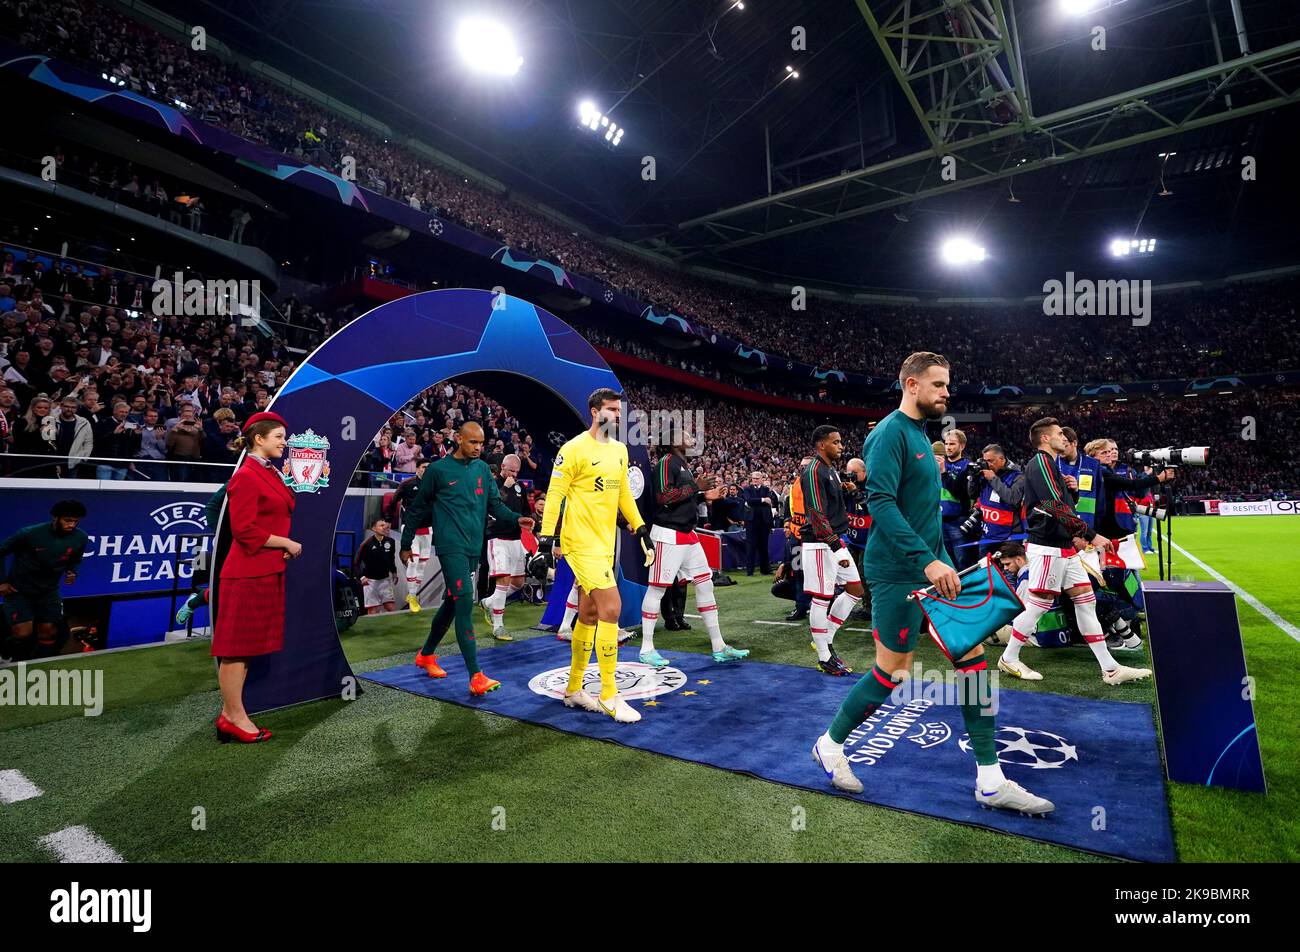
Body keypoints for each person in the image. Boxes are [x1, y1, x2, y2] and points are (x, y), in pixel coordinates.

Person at [812, 352, 1054, 815]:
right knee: (893, 672)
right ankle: (829, 743)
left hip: (935, 566)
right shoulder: (887, 435)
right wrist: (927, 562)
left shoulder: (923, 436)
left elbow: (921, 511)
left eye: (948, 385)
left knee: (974, 660)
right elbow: (880, 503)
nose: (947, 393)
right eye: (939, 385)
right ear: (910, 385)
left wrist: (940, 559)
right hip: (899, 573)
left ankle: (989, 779)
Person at [998, 418, 1151, 686]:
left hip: (1063, 547)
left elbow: (1061, 504)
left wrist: (1074, 492)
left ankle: (1110, 669)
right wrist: (1091, 535)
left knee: (1086, 601)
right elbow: (1051, 505)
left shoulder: (1051, 467)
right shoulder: (1041, 463)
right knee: (1038, 606)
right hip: (1048, 547)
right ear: (1045, 439)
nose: (1063, 438)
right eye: (1058, 433)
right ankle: (1009, 658)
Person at [537, 388, 652, 723]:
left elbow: (623, 496)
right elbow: (555, 494)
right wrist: (546, 539)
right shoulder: (573, 449)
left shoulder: (618, 450)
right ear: (594, 411)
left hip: (604, 544)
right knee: (612, 608)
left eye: (620, 411)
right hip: (580, 543)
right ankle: (609, 694)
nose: (617, 416)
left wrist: (639, 525)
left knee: (588, 614)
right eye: (612, 410)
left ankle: (574, 689)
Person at [399, 421, 533, 696]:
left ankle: (426, 655)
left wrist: (516, 518)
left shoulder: (483, 469)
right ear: (458, 439)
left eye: (481, 444)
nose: (478, 448)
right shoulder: (437, 471)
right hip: (450, 546)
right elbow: (416, 509)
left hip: (474, 547)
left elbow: (495, 504)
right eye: (473, 442)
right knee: (463, 602)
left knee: (451, 602)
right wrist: (405, 542)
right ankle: (475, 675)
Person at [210, 411, 301, 744]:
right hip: (248, 571)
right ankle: (234, 717)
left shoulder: (268, 472)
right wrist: (286, 542)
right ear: (259, 439)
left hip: (264, 570)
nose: (284, 442)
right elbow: (245, 530)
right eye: (278, 436)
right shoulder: (247, 475)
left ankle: (230, 714)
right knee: (235, 649)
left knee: (244, 649)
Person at [639, 429, 744, 668]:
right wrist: (696, 488)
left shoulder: (682, 465)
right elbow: (663, 498)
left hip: (688, 533)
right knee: (657, 589)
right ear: (673, 442)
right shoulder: (666, 463)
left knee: (706, 584)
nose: (691, 438)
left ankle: (719, 646)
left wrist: (704, 496)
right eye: (685, 436)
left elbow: (681, 499)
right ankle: (646, 649)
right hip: (668, 533)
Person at [799, 427, 863, 676]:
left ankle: (824, 639)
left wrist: (845, 490)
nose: (841, 446)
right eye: (835, 442)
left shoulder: (830, 470)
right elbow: (815, 513)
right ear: (821, 445)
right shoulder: (814, 470)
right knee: (821, 597)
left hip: (834, 539)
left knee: (855, 589)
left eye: (841, 441)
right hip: (821, 542)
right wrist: (835, 546)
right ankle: (825, 657)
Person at [0, 499, 88, 661]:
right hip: (19, 591)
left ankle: (40, 663)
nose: (72, 525)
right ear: (55, 518)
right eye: (67, 520)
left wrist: (72, 572)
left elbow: (76, 559)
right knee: (22, 633)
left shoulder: (81, 538)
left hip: (49, 591)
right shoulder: (29, 533)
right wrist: (2, 582)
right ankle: (5, 654)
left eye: (75, 521)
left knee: (49, 631)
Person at [479, 453, 533, 640]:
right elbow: (490, 506)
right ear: (502, 467)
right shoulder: (492, 484)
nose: (514, 475)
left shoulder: (520, 486)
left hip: (516, 538)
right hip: (497, 537)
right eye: (511, 470)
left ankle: (488, 602)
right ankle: (498, 626)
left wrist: (530, 521)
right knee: (502, 582)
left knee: (518, 583)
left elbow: (526, 509)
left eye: (517, 472)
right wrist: (505, 487)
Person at [385, 459, 429, 612]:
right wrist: (388, 519)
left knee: (423, 564)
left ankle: (413, 595)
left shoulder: (434, 485)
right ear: (417, 469)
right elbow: (393, 501)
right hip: (410, 528)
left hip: (428, 529)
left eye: (429, 467)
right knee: (413, 561)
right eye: (424, 467)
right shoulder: (407, 484)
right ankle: (412, 595)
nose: (426, 469)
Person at [968, 444, 1025, 559]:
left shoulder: (1018, 476)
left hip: (1009, 537)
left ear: (1002, 459)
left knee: (1009, 571)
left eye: (990, 461)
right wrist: (973, 478)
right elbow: (972, 494)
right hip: (988, 533)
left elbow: (1013, 500)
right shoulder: (984, 471)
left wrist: (993, 479)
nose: (987, 464)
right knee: (985, 570)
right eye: (985, 460)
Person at [939, 428, 975, 569]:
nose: (948, 447)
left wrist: (944, 473)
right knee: (945, 562)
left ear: (962, 446)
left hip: (958, 521)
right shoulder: (939, 462)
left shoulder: (968, 466)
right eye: (946, 444)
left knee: (962, 562)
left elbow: (961, 494)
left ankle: (965, 590)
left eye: (952, 444)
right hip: (939, 520)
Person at [356, 517, 399, 614]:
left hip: (385, 580)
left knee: (391, 608)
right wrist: (362, 577)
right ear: (374, 529)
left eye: (385, 525)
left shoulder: (391, 542)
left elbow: (391, 559)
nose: (385, 527)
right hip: (370, 582)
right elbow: (356, 564)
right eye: (381, 525)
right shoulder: (366, 544)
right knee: (373, 611)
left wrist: (394, 572)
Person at [741, 470, 780, 575]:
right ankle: (750, 571)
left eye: (757, 478)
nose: (755, 480)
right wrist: (763, 500)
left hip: (764, 522)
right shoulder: (747, 489)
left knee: (764, 546)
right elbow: (749, 500)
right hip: (751, 522)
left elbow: (769, 502)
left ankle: (765, 570)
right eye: (753, 478)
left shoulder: (766, 489)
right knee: (751, 546)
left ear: (762, 479)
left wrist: (759, 501)